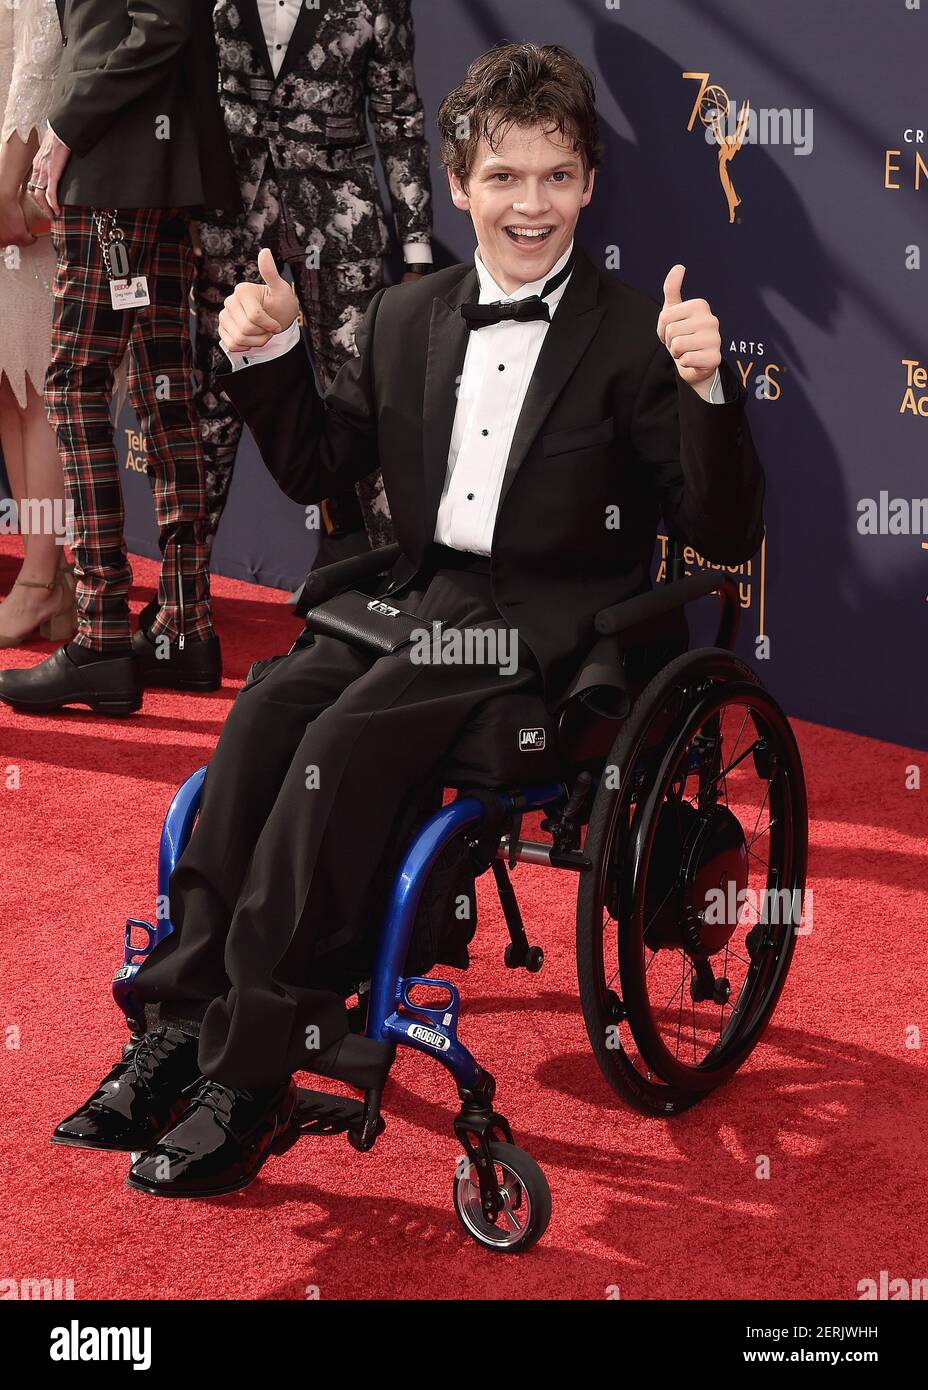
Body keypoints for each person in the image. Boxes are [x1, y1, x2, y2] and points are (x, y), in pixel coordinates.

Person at [51, 44, 764, 1199]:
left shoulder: (638, 333)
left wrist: (706, 392)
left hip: (547, 628)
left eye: (554, 177)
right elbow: (325, 466)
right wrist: (272, 353)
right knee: (265, 716)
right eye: (503, 179)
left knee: (339, 748)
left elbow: (722, 532)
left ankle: (255, 1068)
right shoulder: (404, 315)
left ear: (588, 185)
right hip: (416, 599)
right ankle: (180, 1019)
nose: (529, 205)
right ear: (456, 180)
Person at [0, 0, 241, 715]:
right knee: (164, 392)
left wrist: (67, 127)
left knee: (74, 385)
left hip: (114, 163)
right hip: (149, 166)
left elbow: (162, 21)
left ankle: (103, 634)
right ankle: (184, 626)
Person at [191, 0, 433, 571]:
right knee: (209, 409)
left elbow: (397, 115)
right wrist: (183, 210)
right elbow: (184, 97)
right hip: (229, 217)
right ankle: (185, 603)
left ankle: (398, 591)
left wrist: (416, 246)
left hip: (341, 221)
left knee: (364, 400)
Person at [0, 0, 75, 648]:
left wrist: (7, 182)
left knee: (37, 385)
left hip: (31, 171)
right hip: (7, 162)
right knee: (10, 383)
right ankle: (48, 579)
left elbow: (44, 52)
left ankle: (42, 575)